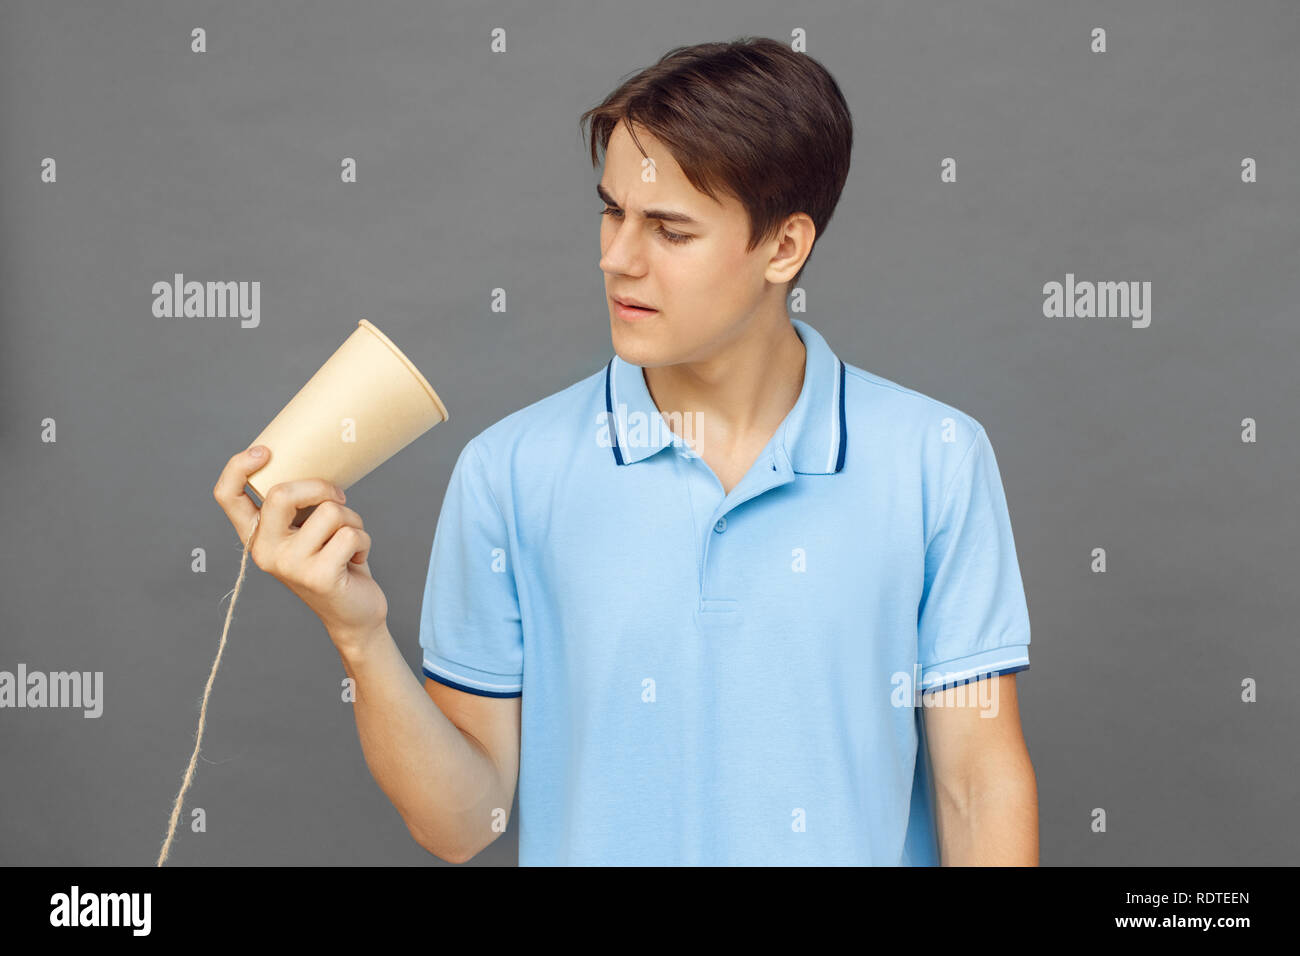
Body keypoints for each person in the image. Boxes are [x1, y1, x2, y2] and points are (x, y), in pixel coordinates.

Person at [213, 36, 1037, 866]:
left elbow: (977, 786)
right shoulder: (509, 474)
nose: (616, 258)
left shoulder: (935, 462)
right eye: (612, 211)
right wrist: (359, 635)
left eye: (669, 230)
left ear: (784, 248)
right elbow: (464, 826)